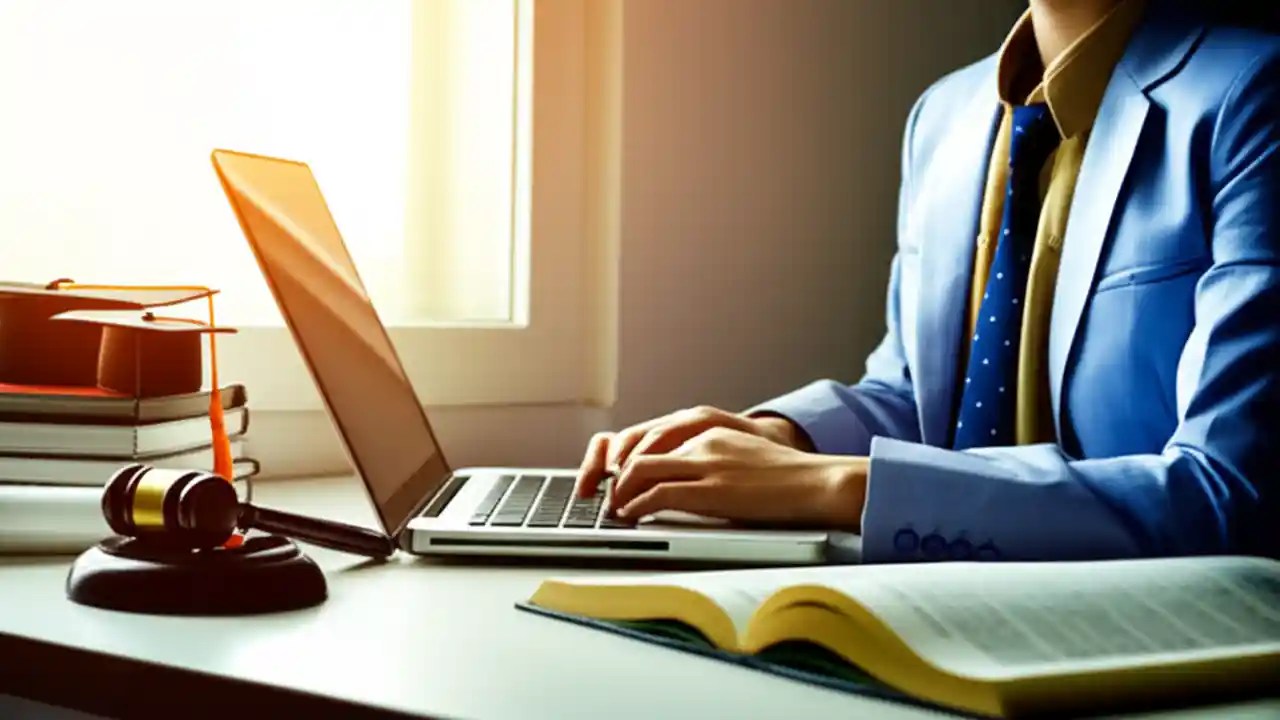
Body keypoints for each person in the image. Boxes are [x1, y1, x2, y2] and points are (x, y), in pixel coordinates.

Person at [574, 0, 1279, 563]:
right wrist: (777, 436)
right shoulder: (944, 114)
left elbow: (1227, 492)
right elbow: (920, 399)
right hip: (932, 603)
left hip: (1145, 638)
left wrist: (835, 486)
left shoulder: (1251, 95)